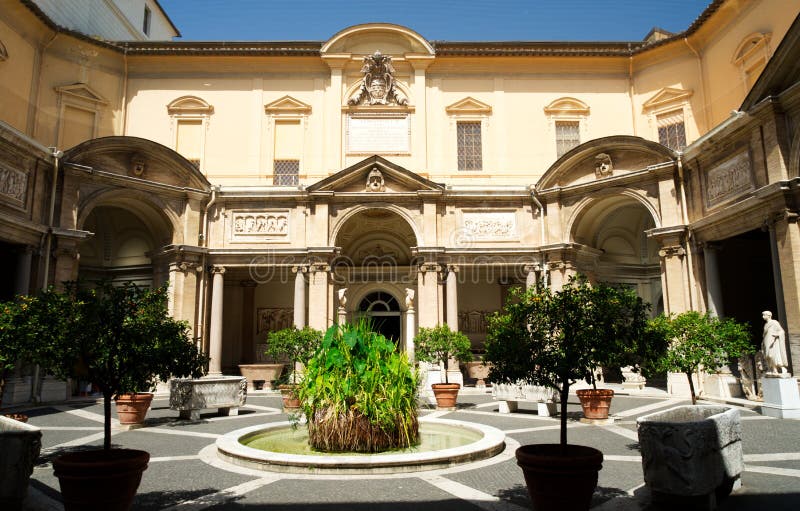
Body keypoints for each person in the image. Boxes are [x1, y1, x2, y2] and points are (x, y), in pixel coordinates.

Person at [762, 311, 789, 375]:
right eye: (763, 315)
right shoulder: (765, 325)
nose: (763, 316)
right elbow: (764, 335)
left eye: (764, 315)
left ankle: (782, 368)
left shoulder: (774, 322)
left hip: (773, 342)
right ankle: (774, 370)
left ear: (769, 315)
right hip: (767, 342)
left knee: (773, 355)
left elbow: (781, 331)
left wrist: (777, 334)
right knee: (768, 356)